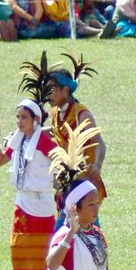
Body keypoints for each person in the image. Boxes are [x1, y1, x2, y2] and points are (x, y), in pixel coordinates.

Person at [0, 97, 57, 270]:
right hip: (22, 201)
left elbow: (61, 162)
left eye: (24, 117)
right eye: (17, 117)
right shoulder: (17, 140)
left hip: (42, 203)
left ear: (36, 120)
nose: (19, 121)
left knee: (38, 256)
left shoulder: (44, 142)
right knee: (18, 251)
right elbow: (0, 161)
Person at [45, 53, 107, 204]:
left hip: (85, 183)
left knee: (82, 224)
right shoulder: (56, 113)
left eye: (52, 89)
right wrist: (25, 134)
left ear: (66, 91)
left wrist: (97, 166)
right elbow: (55, 131)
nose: (47, 94)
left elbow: (99, 142)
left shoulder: (81, 114)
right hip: (66, 181)